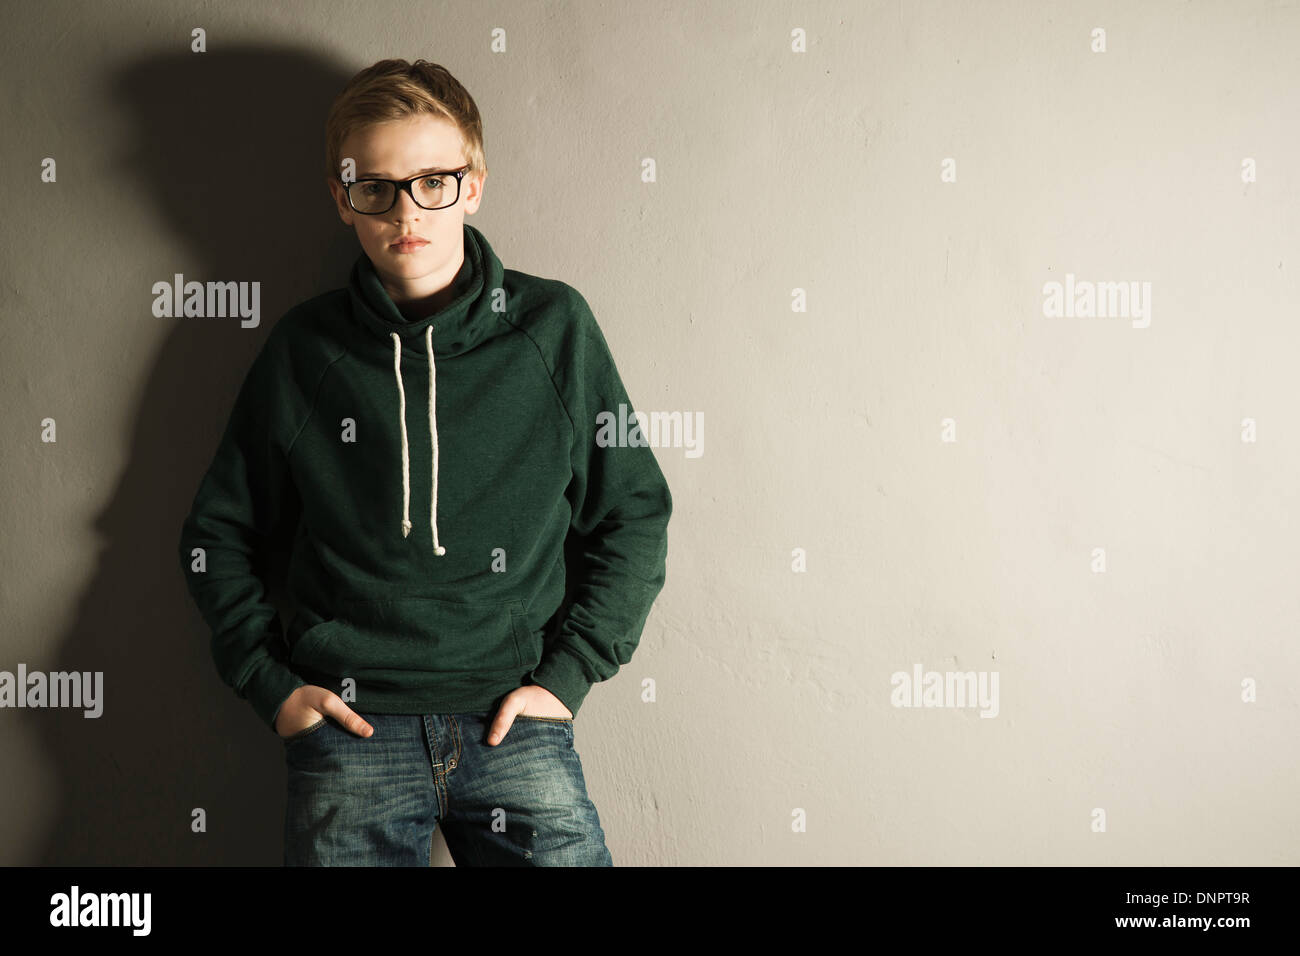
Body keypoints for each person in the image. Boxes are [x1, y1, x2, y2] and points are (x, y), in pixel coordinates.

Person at [176, 58, 672, 866]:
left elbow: (635, 513)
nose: (406, 210)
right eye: (375, 186)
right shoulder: (306, 352)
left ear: (472, 183)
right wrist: (272, 688)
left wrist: (569, 677)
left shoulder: (553, 330)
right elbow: (217, 534)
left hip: (514, 722)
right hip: (351, 731)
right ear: (341, 197)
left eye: (432, 181)